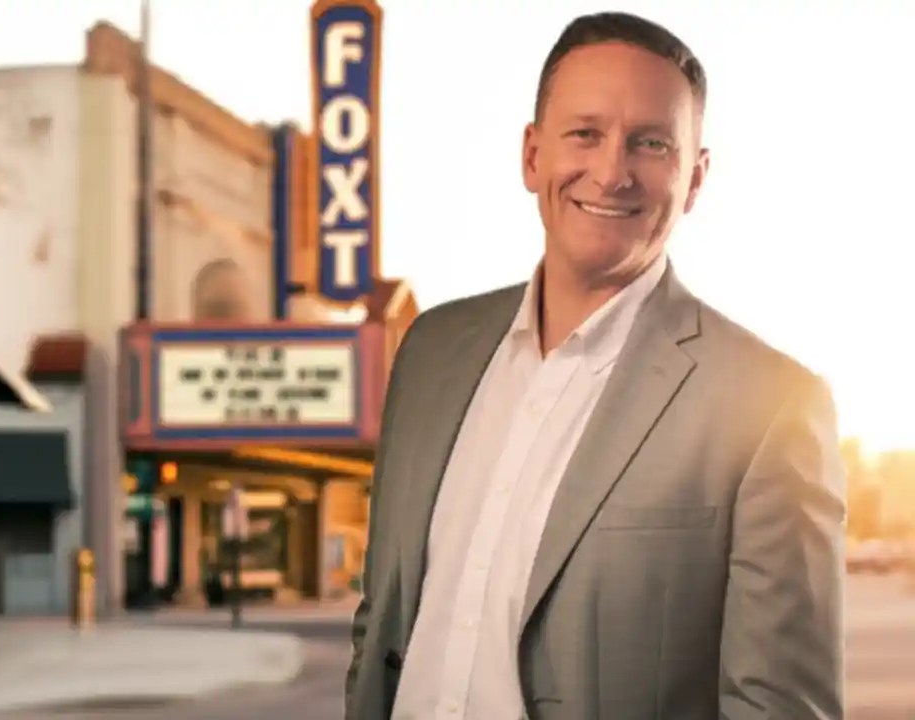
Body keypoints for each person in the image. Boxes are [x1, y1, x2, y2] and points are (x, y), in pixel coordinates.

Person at [344, 11, 846, 720]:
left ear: (695, 178)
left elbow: (780, 707)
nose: (611, 173)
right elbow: (382, 623)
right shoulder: (430, 351)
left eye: (650, 144)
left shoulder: (767, 404)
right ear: (532, 155)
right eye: (585, 134)